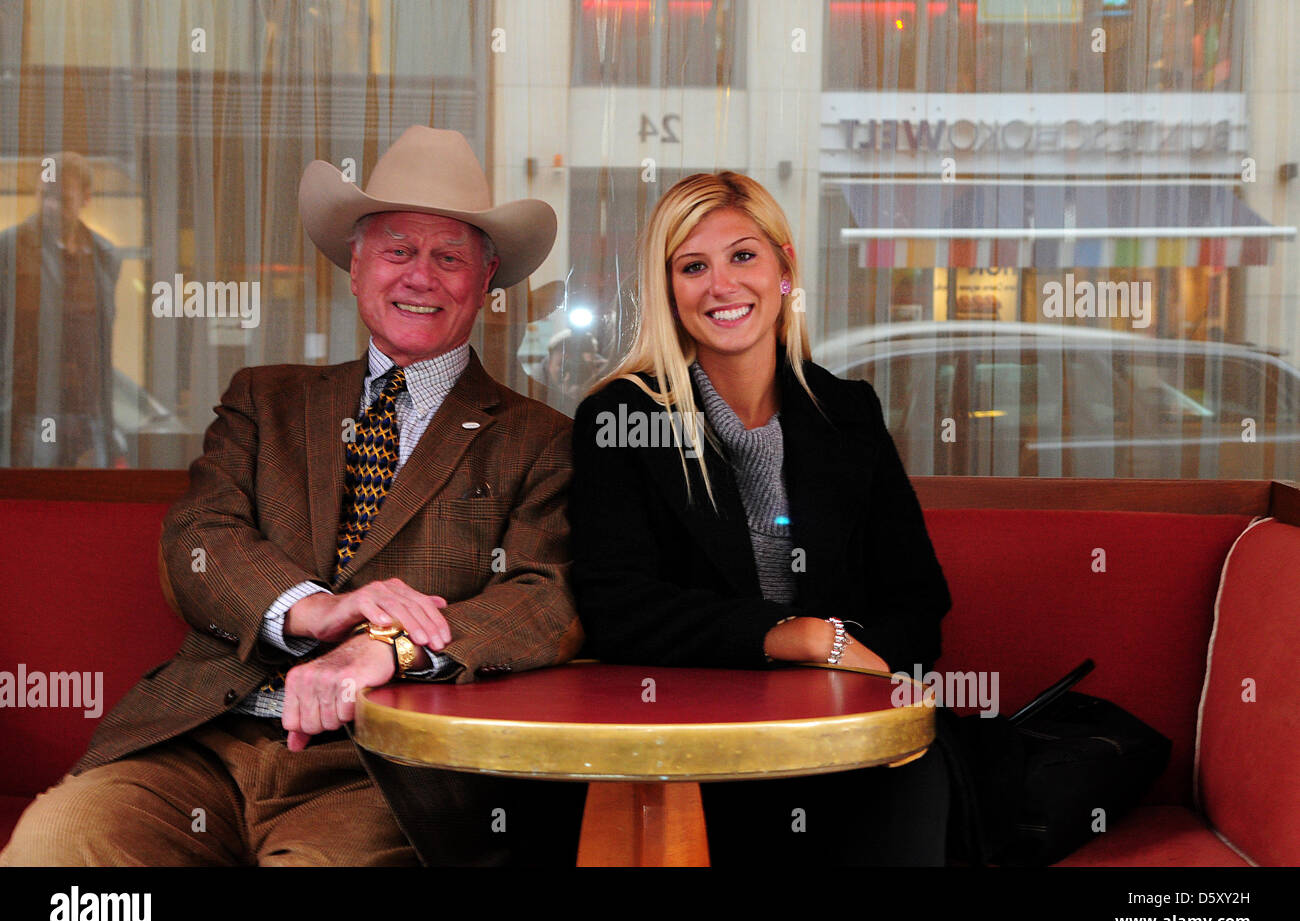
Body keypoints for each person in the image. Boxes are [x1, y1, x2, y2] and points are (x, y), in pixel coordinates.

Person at [0, 126, 584, 866]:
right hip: (203, 745)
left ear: (487, 276)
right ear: (356, 265)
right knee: (54, 855)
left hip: (380, 769)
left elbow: (546, 599)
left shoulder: (538, 439)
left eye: (449, 257)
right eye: (399, 251)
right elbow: (198, 540)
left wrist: (383, 646)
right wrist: (317, 609)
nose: (420, 276)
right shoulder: (264, 400)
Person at [568, 171, 953, 865]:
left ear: (784, 268)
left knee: (913, 782)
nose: (722, 285)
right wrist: (793, 638)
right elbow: (618, 608)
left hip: (844, 732)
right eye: (693, 266)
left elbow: (918, 602)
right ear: (668, 289)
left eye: (743, 256)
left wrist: (847, 678)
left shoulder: (848, 412)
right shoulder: (622, 418)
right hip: (696, 743)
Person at [0, 151, 122, 467]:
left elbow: (101, 342)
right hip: (28, 409)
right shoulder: (8, 249)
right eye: (44, 197)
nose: (51, 207)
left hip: (87, 409)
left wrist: (105, 417)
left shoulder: (104, 255)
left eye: (62, 199)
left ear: (85, 198)